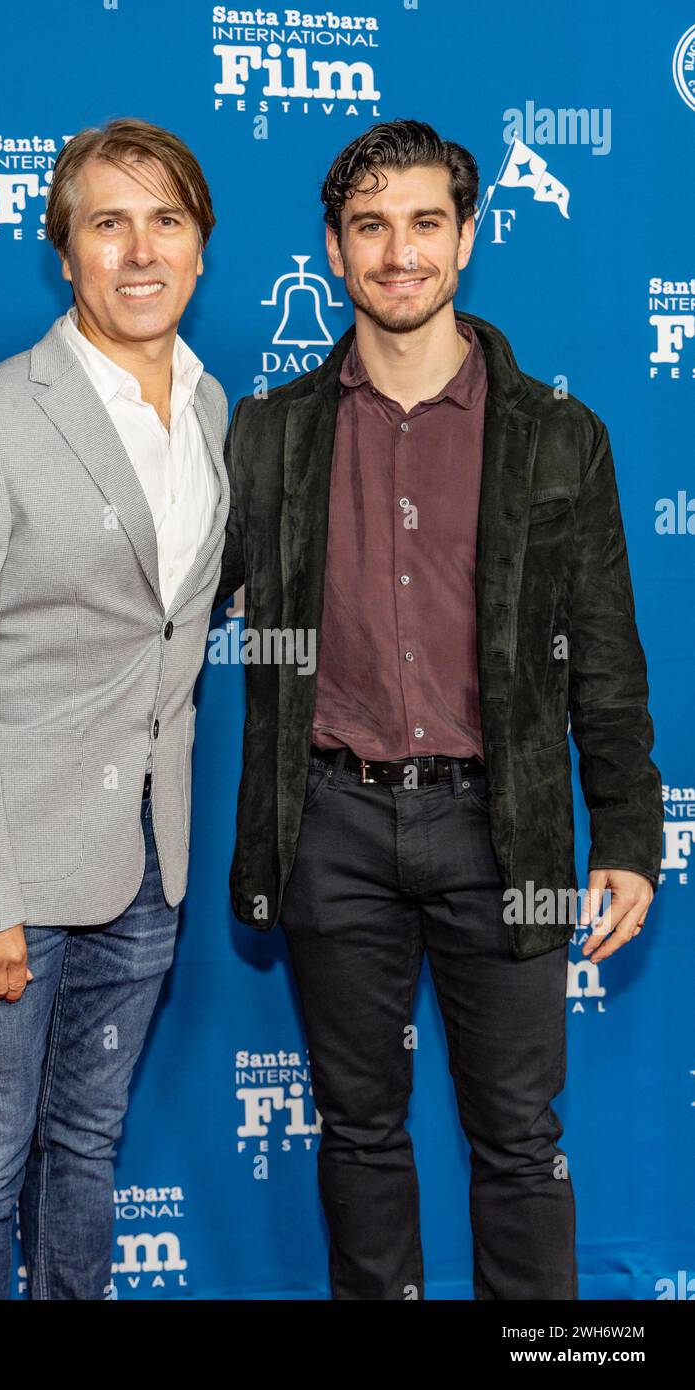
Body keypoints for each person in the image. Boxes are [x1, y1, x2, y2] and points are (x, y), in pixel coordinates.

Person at [214, 118, 663, 1300]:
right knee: (357, 1136)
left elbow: (604, 661)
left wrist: (624, 833)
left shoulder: (558, 440)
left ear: (466, 237)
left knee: (517, 1137)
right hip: (329, 829)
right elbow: (154, 605)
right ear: (333, 247)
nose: (396, 252)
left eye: (423, 224)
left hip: (496, 826)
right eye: (370, 227)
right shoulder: (267, 437)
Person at [0, 117, 228, 1300]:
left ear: (200, 246)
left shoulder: (209, 410)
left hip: (147, 860)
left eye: (165, 221)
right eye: (107, 223)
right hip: (9, 873)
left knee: (85, 1151)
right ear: (64, 252)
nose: (139, 251)